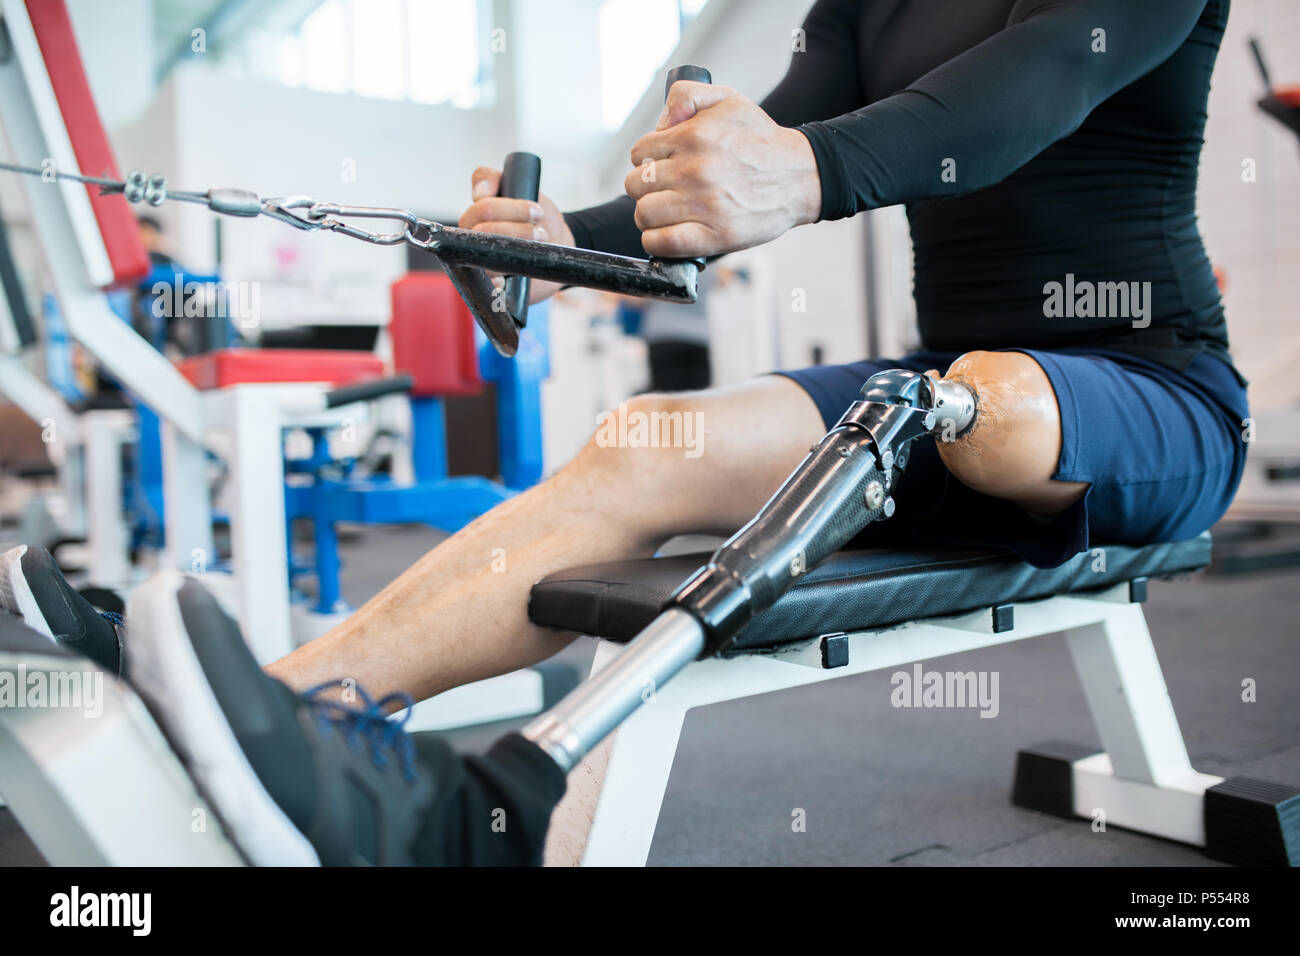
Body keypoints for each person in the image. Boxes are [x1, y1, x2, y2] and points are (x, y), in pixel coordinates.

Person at [1, 0, 1249, 865]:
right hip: (921, 402)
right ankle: (252, 721)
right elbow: (739, 151)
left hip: (1146, 393)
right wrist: (557, 244)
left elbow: (1021, 95)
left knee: (994, 404)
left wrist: (802, 175)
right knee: (641, 437)